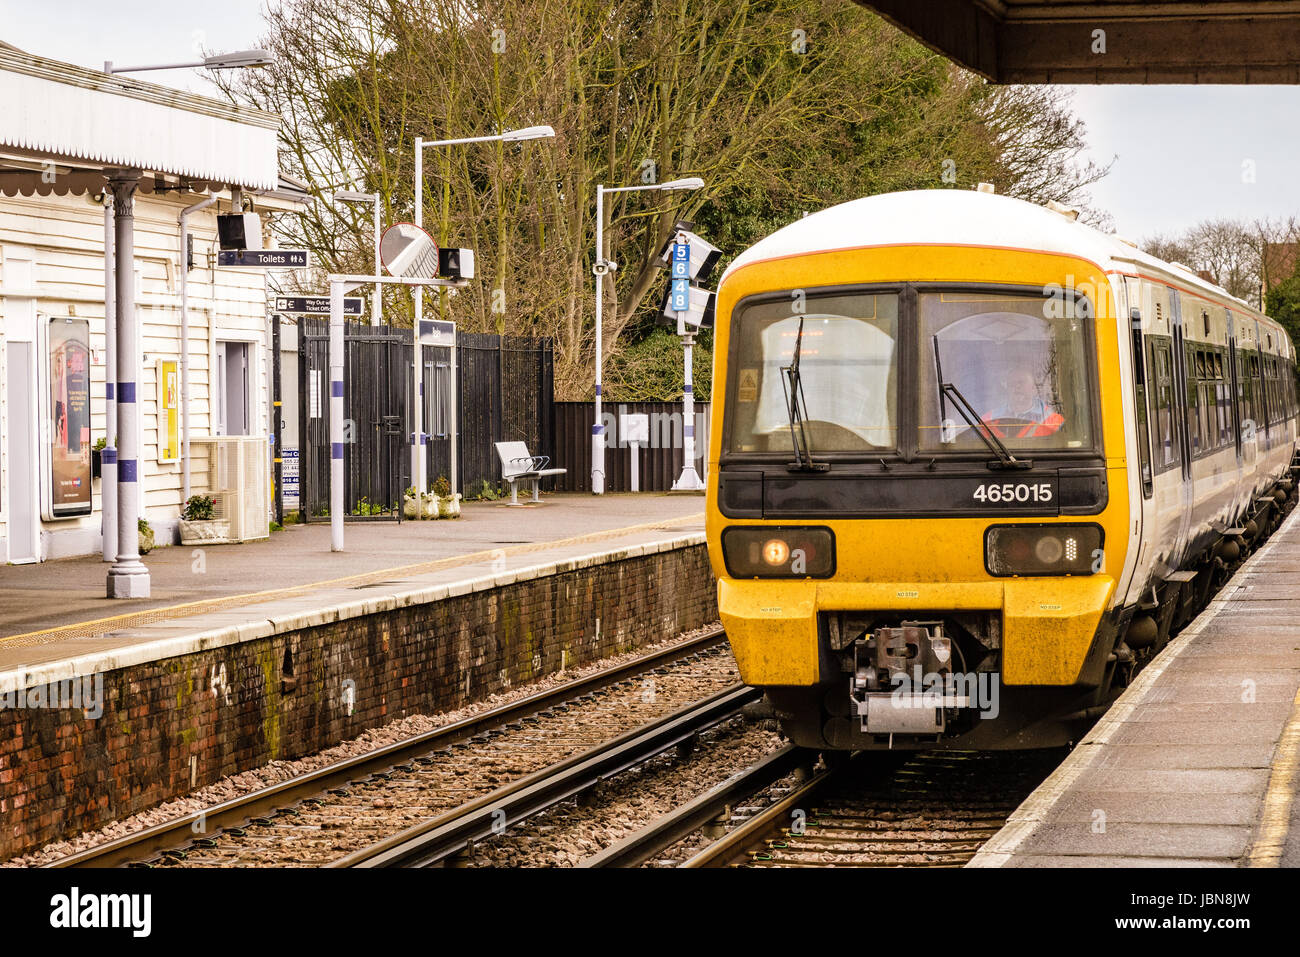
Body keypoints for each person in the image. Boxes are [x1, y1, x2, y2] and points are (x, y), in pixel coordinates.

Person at [985, 366, 1063, 437]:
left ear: (1034, 389)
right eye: (1012, 383)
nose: (1017, 387)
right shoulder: (990, 418)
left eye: (1021, 382)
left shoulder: (1053, 420)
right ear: (1007, 389)